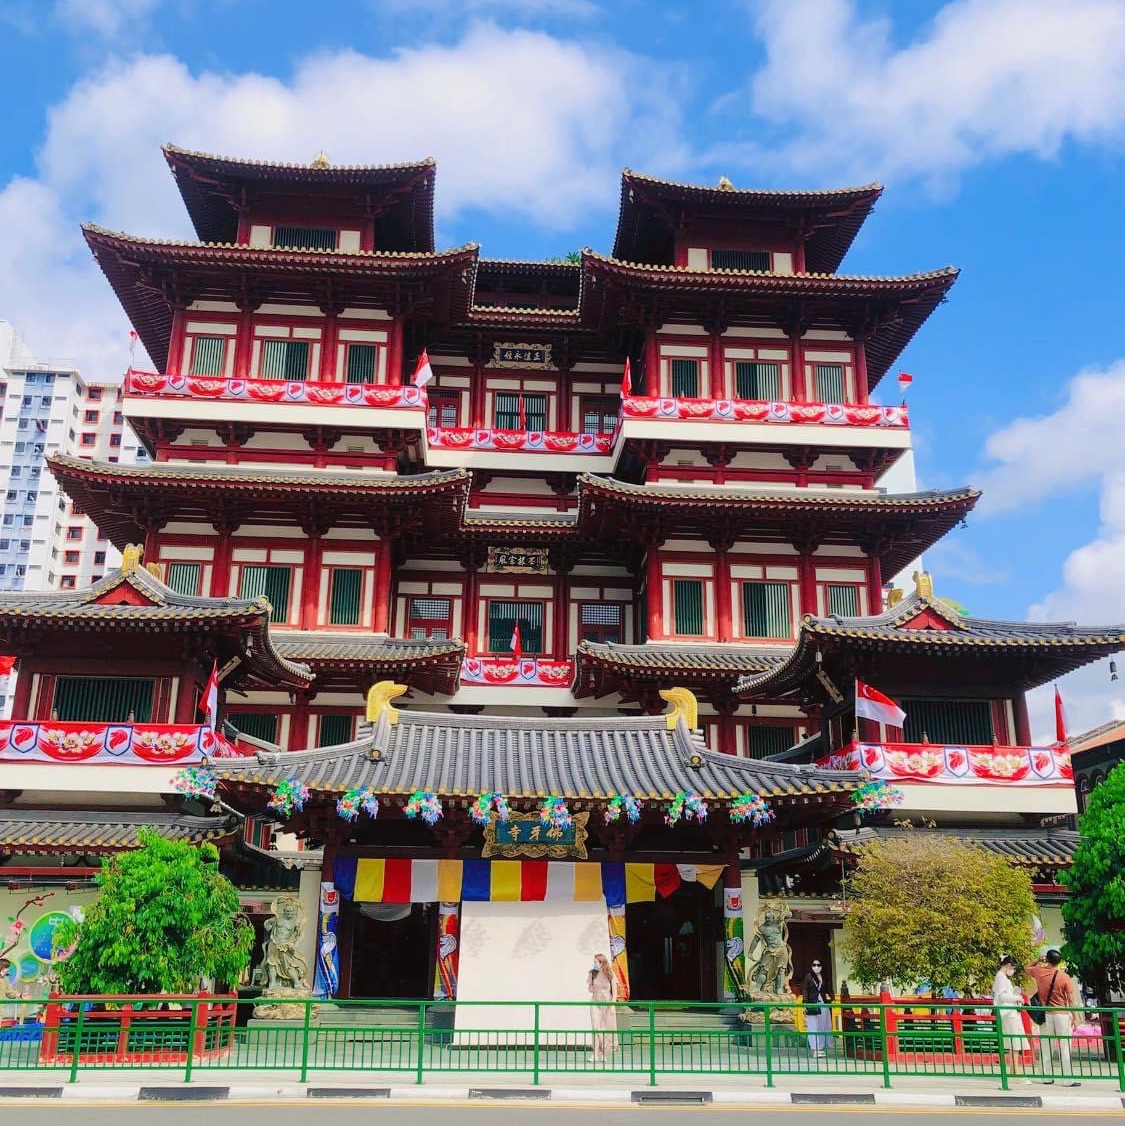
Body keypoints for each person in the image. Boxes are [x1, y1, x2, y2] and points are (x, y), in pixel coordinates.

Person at [1026, 949, 1081, 1087]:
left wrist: (1038, 960)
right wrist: (1075, 1017)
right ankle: (1067, 1079)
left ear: (1047, 959)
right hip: (1062, 1015)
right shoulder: (1064, 977)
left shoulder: (1039, 972)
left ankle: (1046, 1077)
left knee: (1046, 1046)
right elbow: (1071, 1000)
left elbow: (1027, 968)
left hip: (1047, 1015)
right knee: (1064, 1047)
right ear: (1059, 961)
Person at [992, 956, 1029, 1075]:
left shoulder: (1001, 977)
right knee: (1014, 1041)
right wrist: (1017, 998)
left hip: (1009, 1012)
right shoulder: (1001, 977)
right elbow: (1002, 996)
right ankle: (1015, 1072)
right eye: (1012, 967)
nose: (1012, 970)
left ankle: (1014, 1070)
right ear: (1008, 965)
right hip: (1009, 1013)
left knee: (1014, 1041)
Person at [587, 952, 619, 1062]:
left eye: (596, 962)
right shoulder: (592, 974)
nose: (594, 964)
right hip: (595, 1001)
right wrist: (591, 988)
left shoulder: (610, 974)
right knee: (596, 1028)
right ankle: (595, 1054)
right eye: (594, 962)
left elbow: (615, 992)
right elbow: (589, 989)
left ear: (602, 963)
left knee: (605, 1028)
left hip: (607, 1001)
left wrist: (612, 1005)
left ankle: (603, 1053)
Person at [801, 959, 833, 1057]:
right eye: (814, 964)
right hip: (812, 1003)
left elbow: (828, 989)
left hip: (823, 1003)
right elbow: (805, 990)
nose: (816, 966)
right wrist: (805, 1004)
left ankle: (821, 1047)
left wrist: (831, 997)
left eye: (818, 964)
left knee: (824, 1025)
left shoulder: (824, 977)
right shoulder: (808, 977)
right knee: (813, 1026)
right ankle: (815, 1049)